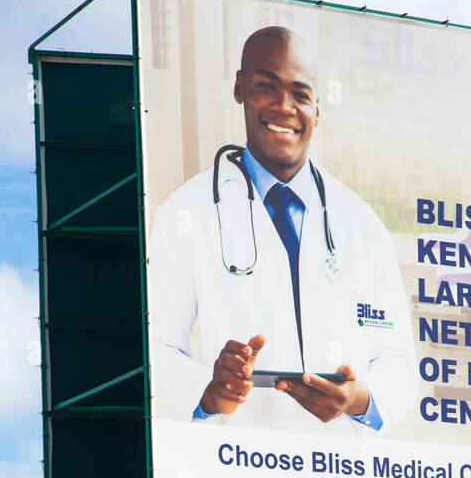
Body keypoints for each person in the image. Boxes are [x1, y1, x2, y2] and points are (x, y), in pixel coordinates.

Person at [147, 26, 417, 437]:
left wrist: (359, 397)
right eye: (266, 86)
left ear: (318, 109)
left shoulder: (360, 223)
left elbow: (398, 364)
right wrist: (209, 391)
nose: (284, 107)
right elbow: (154, 352)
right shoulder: (187, 212)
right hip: (238, 469)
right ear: (240, 88)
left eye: (301, 95)